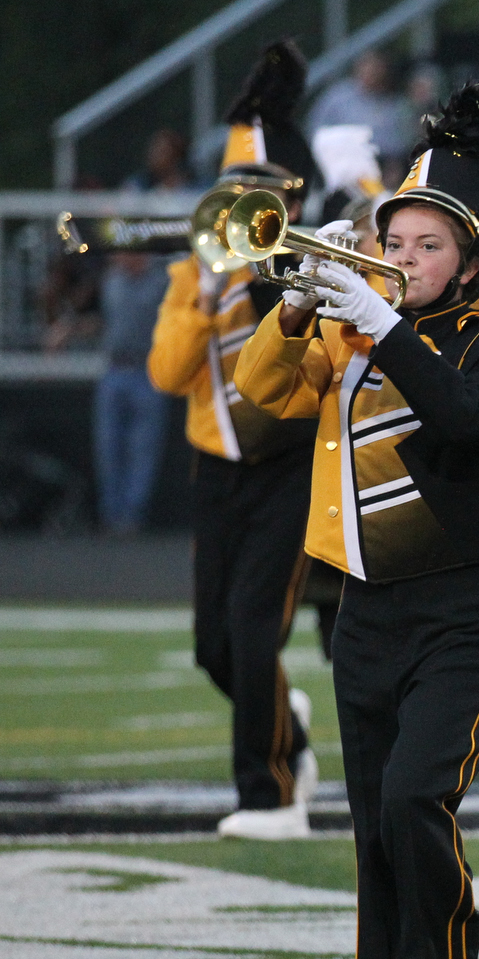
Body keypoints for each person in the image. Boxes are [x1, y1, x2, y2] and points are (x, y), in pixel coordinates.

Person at [233, 84, 479, 959]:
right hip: (363, 610)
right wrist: (294, 305)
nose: (400, 259)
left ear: (470, 262)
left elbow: (464, 420)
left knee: (416, 799)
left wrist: (378, 320)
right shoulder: (346, 337)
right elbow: (260, 397)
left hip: (463, 611)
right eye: (391, 240)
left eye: (424, 247)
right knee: (371, 828)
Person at [148, 41, 324, 840]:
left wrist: (264, 282)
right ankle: (284, 723)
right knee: (213, 647)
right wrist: (207, 291)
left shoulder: (307, 267)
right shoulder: (197, 271)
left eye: (260, 194)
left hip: (287, 466)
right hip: (215, 468)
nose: (243, 207)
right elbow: (167, 371)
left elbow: (295, 362)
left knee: (257, 631)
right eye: (234, 192)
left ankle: (271, 795)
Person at [95, 253, 171, 536]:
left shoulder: (161, 280)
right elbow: (104, 319)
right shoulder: (111, 280)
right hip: (115, 368)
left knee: (143, 447)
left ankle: (132, 515)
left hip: (146, 370)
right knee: (108, 444)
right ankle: (111, 513)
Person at [307, 50, 415, 173]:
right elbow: (315, 132)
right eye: (366, 67)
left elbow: (404, 143)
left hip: (386, 167)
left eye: (376, 68)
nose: (371, 73)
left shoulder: (396, 104)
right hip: (342, 166)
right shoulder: (337, 98)